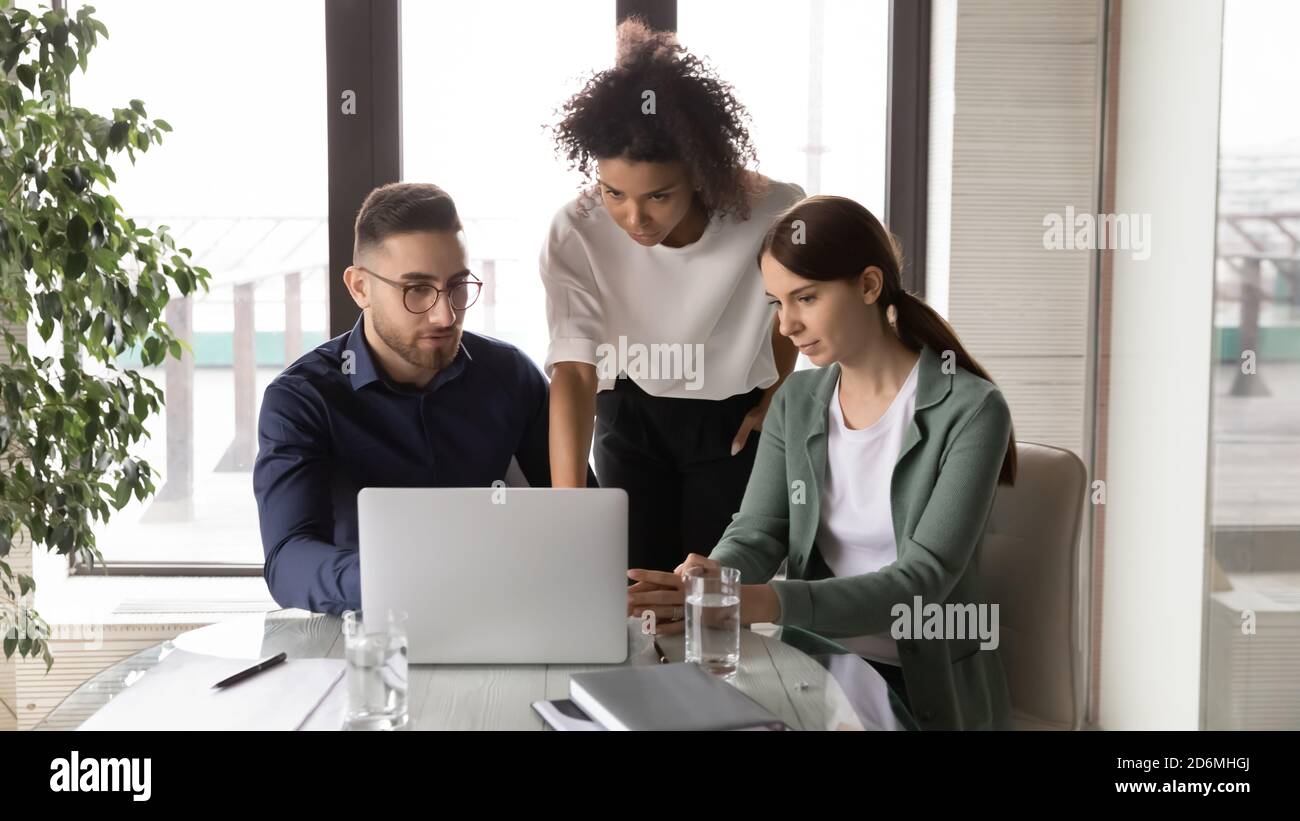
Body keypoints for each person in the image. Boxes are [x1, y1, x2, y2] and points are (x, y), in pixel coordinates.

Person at [628, 195, 1017, 730]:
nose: (786, 325)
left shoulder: (970, 409)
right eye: (776, 303)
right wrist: (713, 576)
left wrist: (765, 602)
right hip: (812, 663)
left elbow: (922, 582)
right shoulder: (797, 400)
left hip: (915, 682)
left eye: (805, 298)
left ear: (868, 285)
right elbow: (761, 530)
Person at [542, 19, 803, 572]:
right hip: (629, 416)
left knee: (714, 599)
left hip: (729, 421)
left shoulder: (773, 210)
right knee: (631, 594)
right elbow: (572, 369)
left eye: (658, 195)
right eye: (614, 192)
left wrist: (774, 398)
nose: (634, 218)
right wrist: (566, 512)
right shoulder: (577, 229)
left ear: (700, 174)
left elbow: (788, 308)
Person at [254, 182, 563, 615]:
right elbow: (288, 561)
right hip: (366, 629)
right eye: (416, 289)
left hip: (498, 611)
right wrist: (404, 579)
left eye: (457, 285)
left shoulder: (511, 376)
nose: (446, 314)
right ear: (360, 287)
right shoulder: (302, 399)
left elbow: (580, 513)